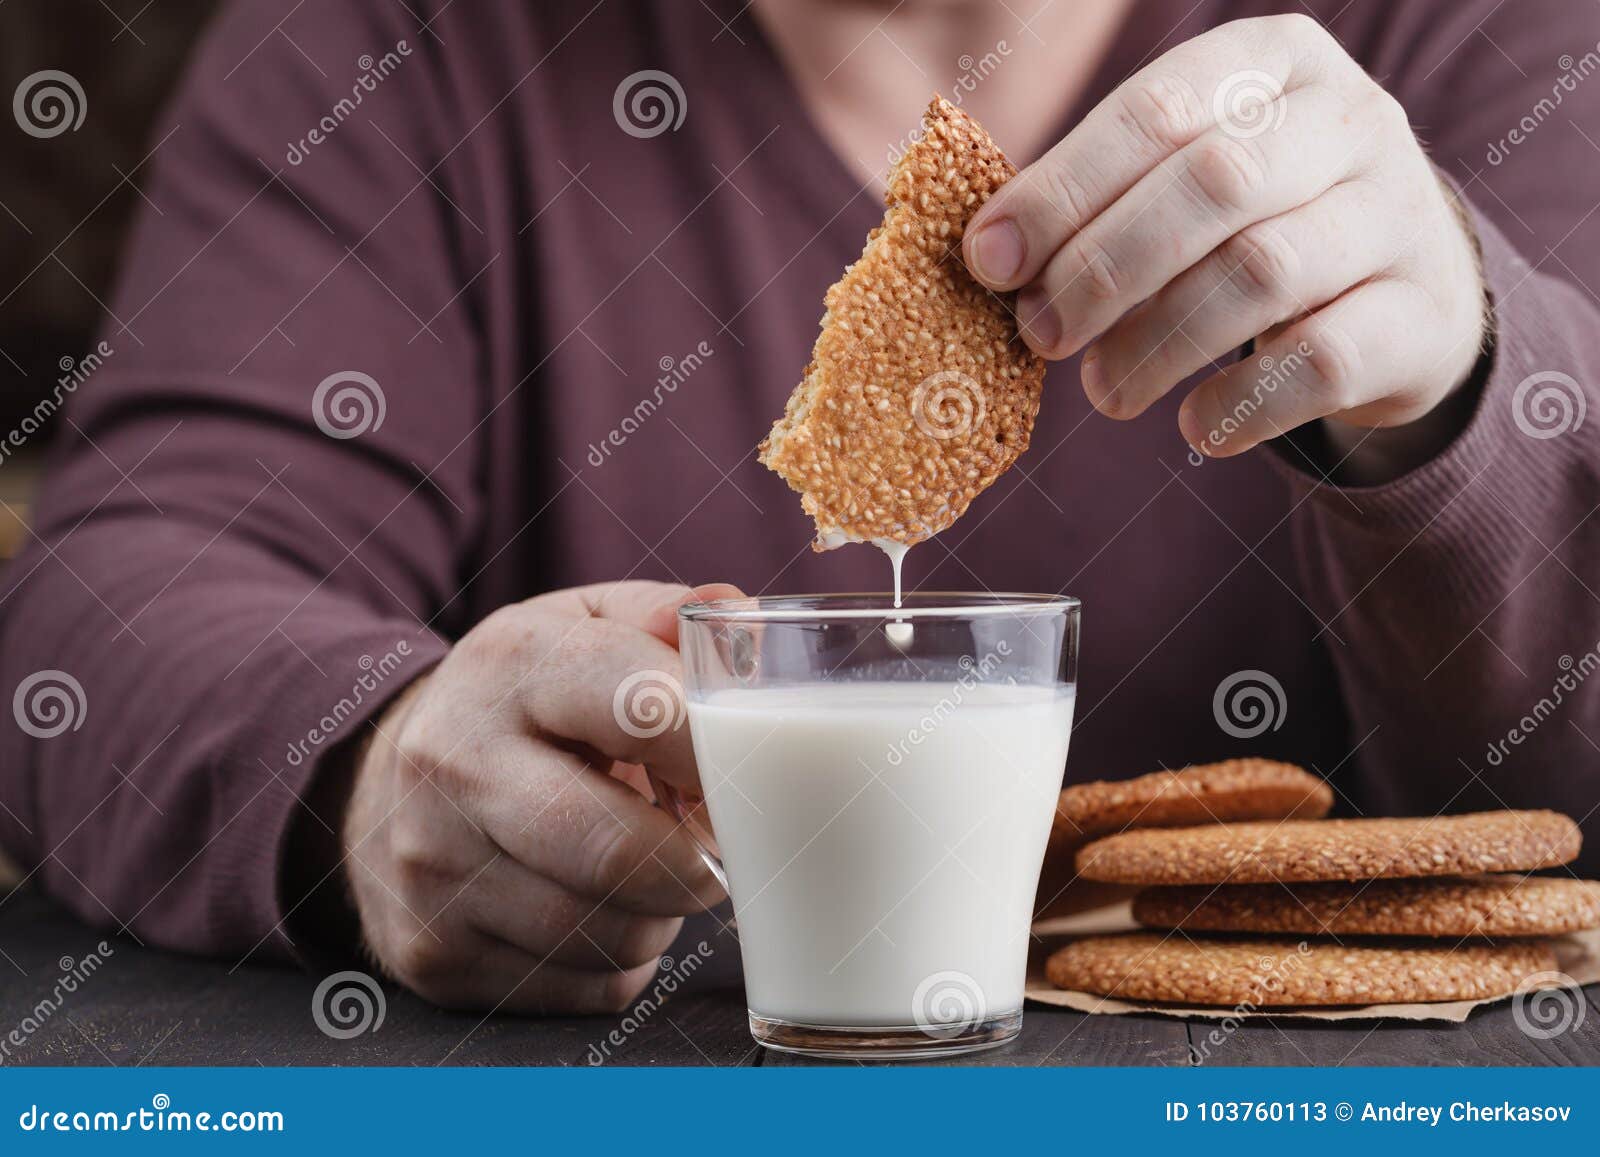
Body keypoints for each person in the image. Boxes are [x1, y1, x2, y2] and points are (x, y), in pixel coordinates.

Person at [2, 0, 1597, 1013]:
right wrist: (366, 763)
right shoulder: (395, 45)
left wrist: (1463, 385)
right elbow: (118, 596)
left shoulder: (1481, 37)